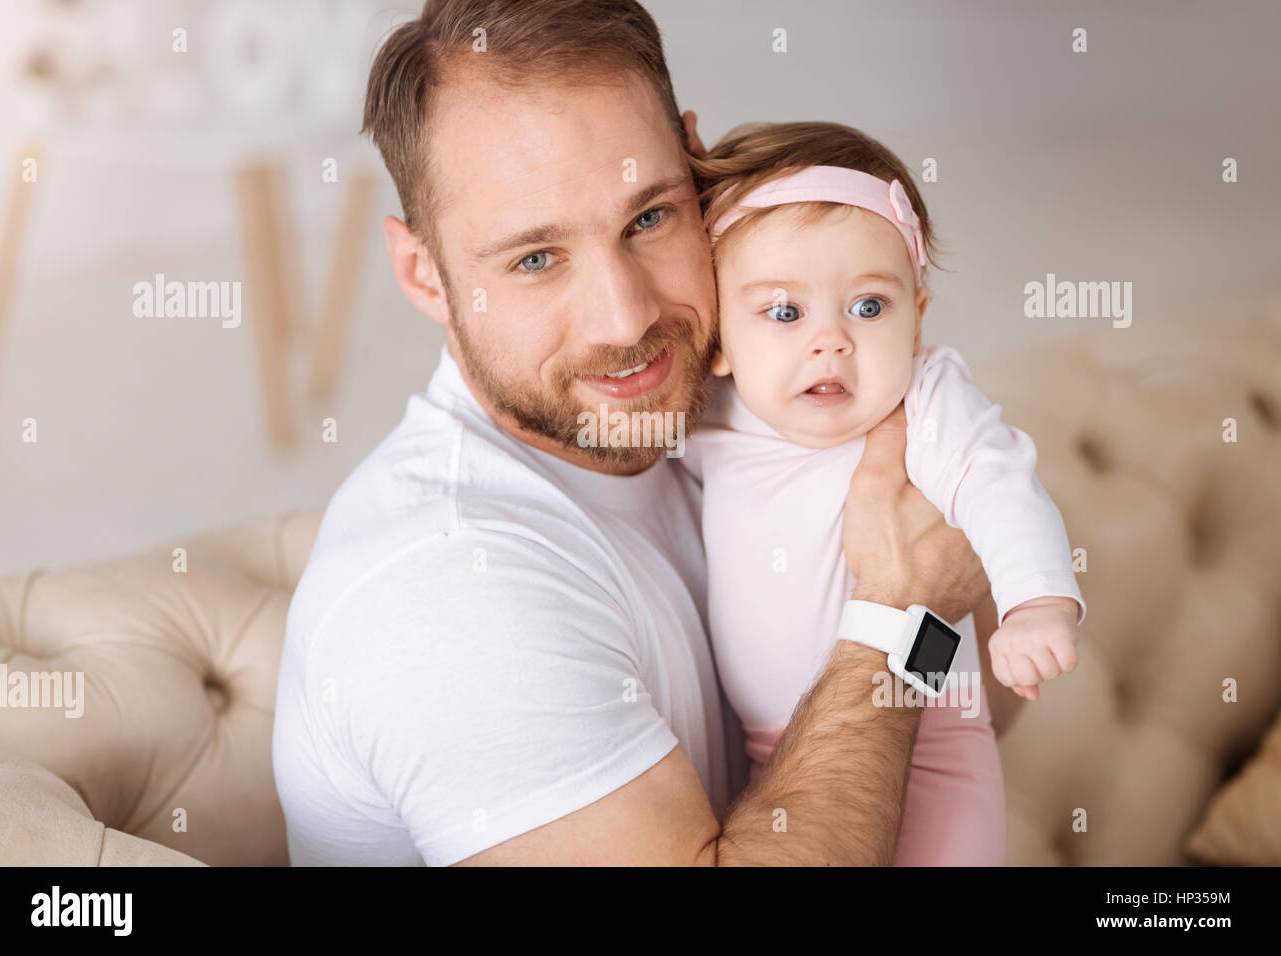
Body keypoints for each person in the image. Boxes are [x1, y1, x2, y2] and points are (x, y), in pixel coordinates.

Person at [272, 0, 989, 866]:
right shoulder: (449, 587)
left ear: (699, 173)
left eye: (648, 218)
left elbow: (968, 714)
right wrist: (905, 613)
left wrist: (934, 598)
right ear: (424, 274)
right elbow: (922, 623)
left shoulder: (745, 407)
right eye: (536, 259)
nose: (626, 319)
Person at [684, 120, 1088, 865]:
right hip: (779, 754)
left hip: (932, 735)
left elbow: (1000, 486)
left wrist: (1037, 605)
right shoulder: (715, 411)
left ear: (915, 318)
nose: (830, 339)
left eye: (868, 307)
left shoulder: (928, 402)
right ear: (717, 342)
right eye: (784, 312)